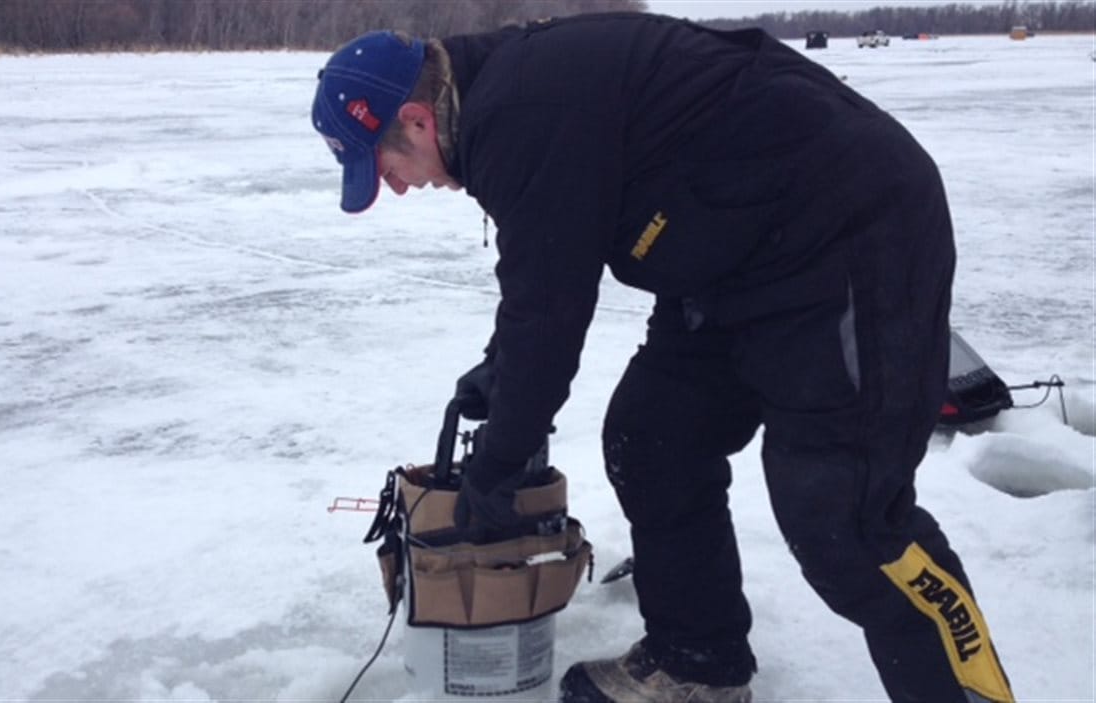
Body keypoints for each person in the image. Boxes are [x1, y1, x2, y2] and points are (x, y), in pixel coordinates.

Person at [311, 13, 1014, 703]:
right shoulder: (503, 102)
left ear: (416, 118)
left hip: (846, 232)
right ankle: (699, 661)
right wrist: (502, 369)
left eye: (386, 165)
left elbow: (550, 316)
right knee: (651, 435)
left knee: (845, 513)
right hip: (730, 256)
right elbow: (543, 268)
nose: (397, 185)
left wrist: (496, 465)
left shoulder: (514, 111)